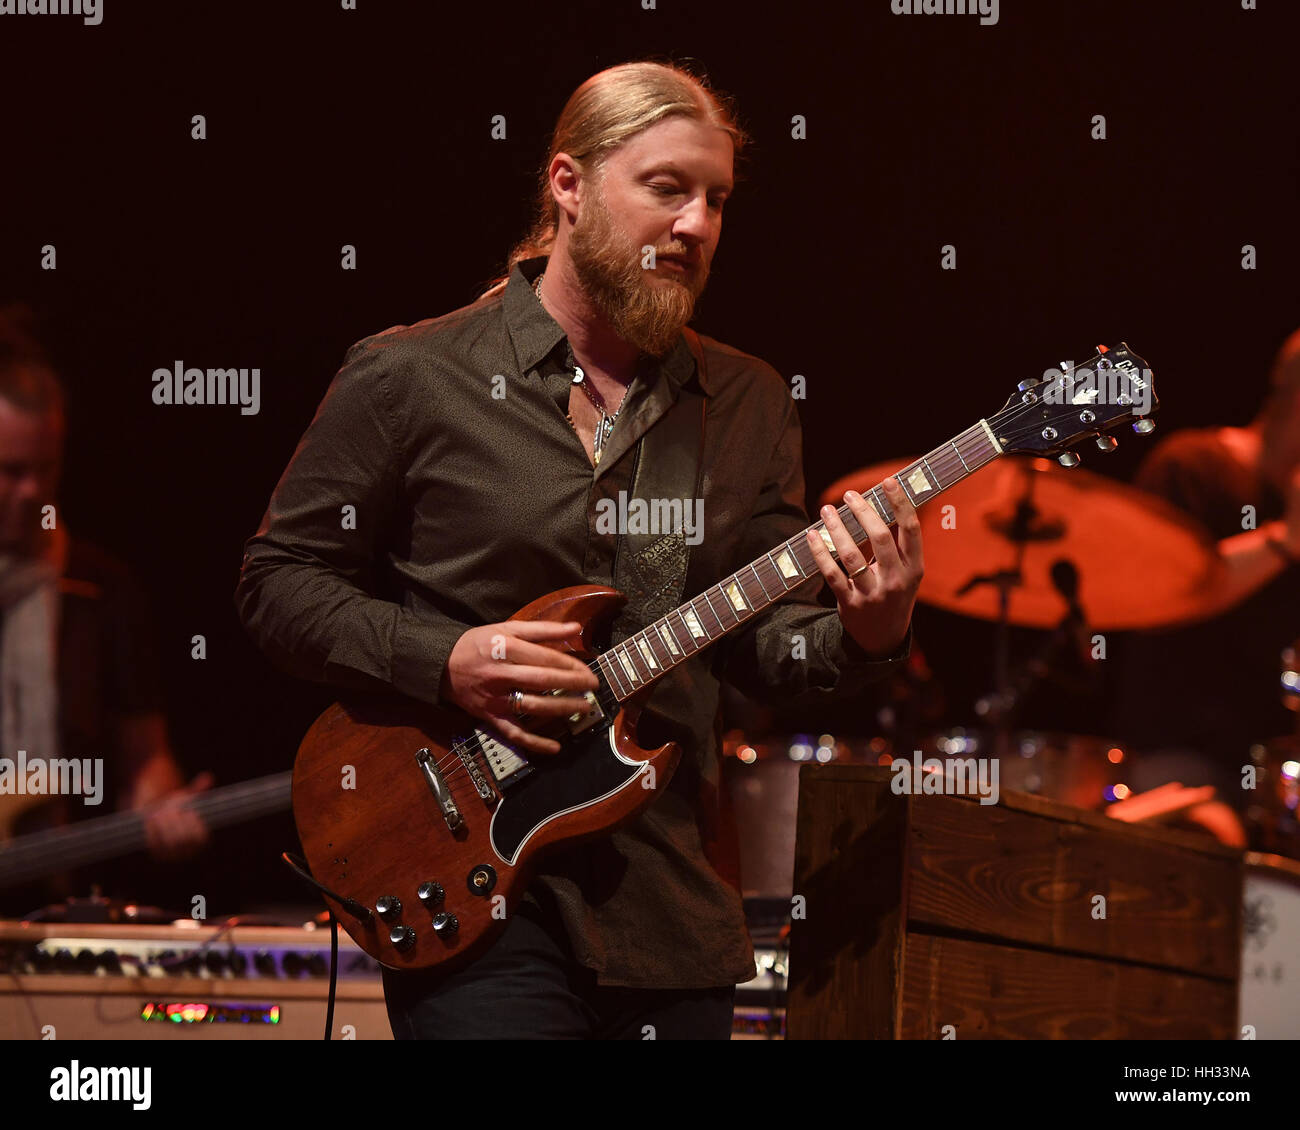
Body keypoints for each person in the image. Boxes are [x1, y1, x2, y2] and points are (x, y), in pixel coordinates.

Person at [234, 60, 923, 1040]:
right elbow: (277, 583)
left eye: (717, 200)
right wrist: (448, 658)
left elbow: (762, 648)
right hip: (466, 881)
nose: (696, 224)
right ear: (568, 183)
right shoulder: (410, 375)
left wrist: (868, 630)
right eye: (667, 188)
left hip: (668, 906)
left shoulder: (749, 401)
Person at [0, 308, 211, 917]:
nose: (32, 490)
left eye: (45, 468)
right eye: (9, 471)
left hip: (60, 909)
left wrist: (162, 804)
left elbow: (144, 757)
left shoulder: (102, 588)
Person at [1112, 328, 1300, 836]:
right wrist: (1285, 539)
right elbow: (1155, 599)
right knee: (1207, 833)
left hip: (1278, 769)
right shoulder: (1194, 467)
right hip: (1180, 761)